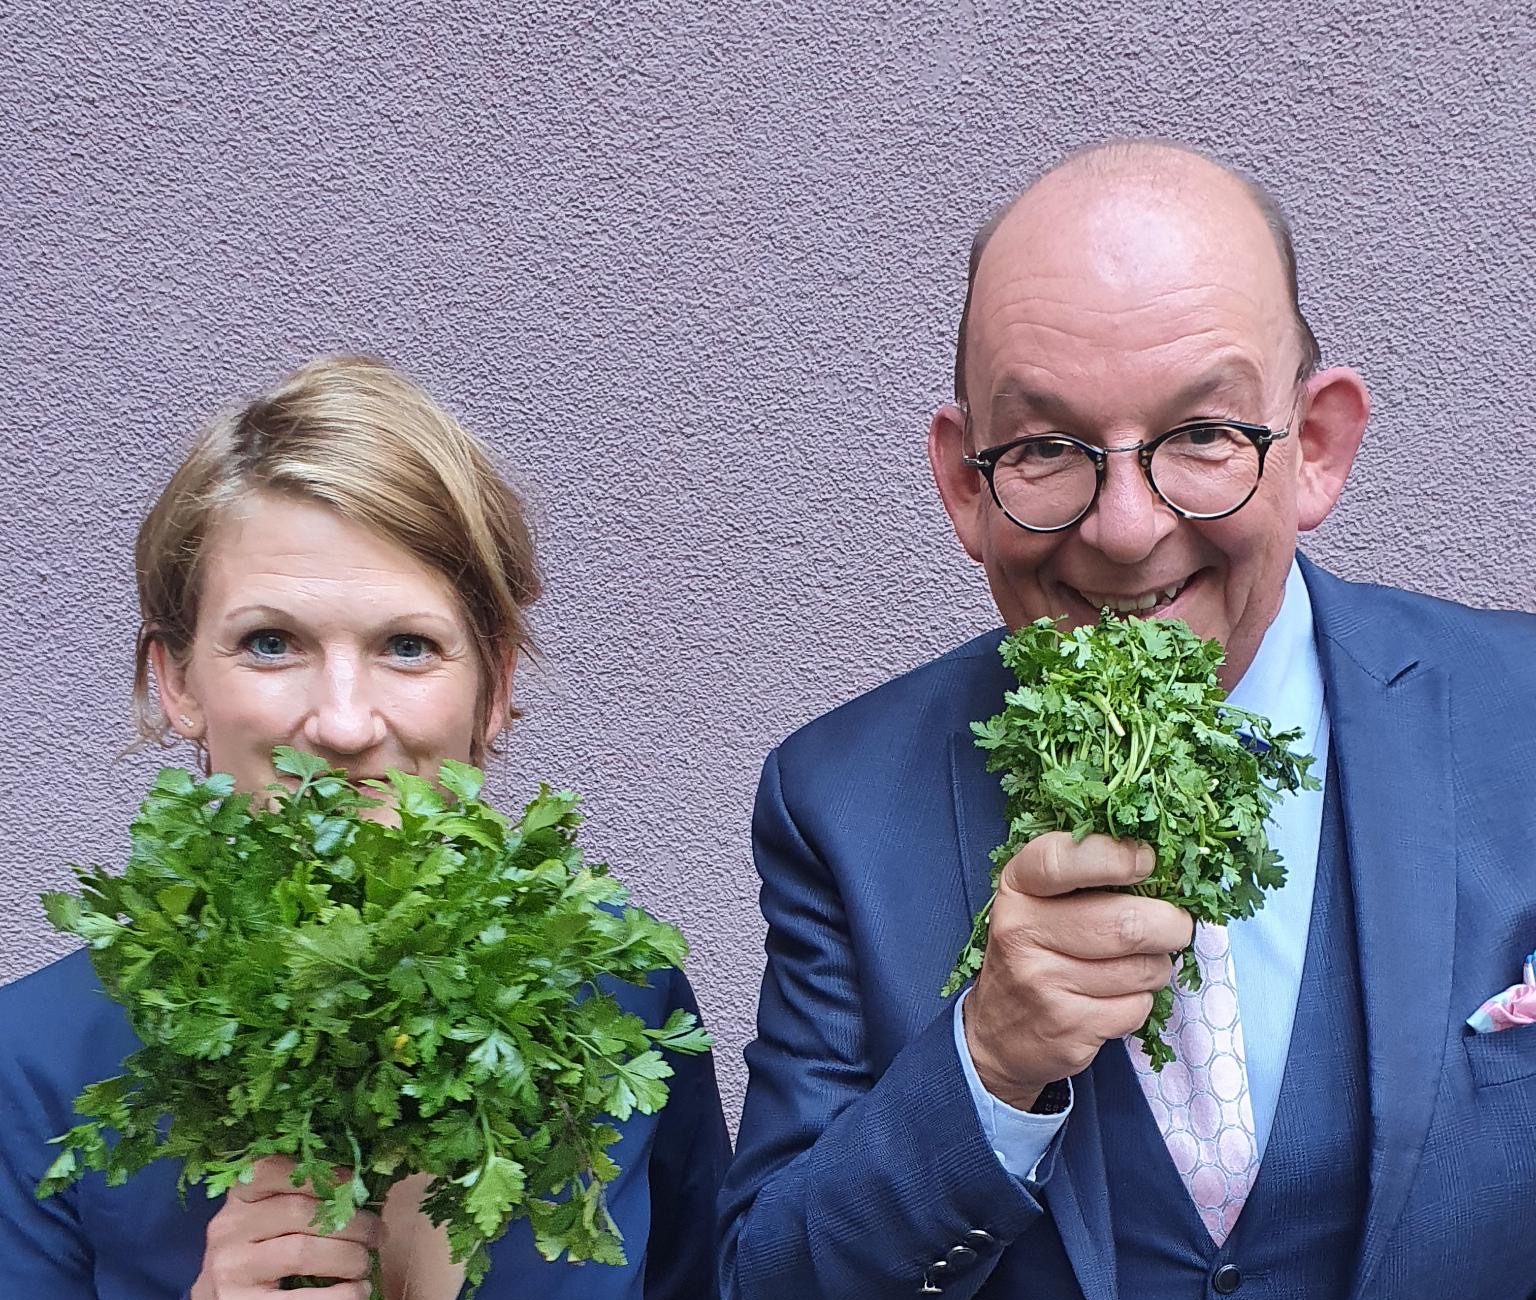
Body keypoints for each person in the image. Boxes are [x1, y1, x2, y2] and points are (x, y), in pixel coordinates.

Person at [719, 140, 1536, 1298]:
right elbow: (764, 1282)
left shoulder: (1527, 715)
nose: (1124, 527)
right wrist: (985, 1063)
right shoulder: (837, 802)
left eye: (1203, 435)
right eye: (1048, 447)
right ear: (964, 480)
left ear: (1317, 446)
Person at [0, 356, 730, 1300]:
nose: (343, 725)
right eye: (271, 643)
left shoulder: (622, 1009)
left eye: (407, 647)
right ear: (177, 681)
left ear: (495, 687)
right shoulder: (32, 1063)